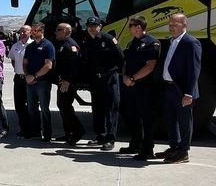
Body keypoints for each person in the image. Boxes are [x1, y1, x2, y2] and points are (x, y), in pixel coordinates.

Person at [158, 14, 202, 164]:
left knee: (184, 121)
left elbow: (194, 70)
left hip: (182, 90)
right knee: (170, 119)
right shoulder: (172, 41)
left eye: (175, 23)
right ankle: (174, 147)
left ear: (184, 25)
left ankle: (183, 152)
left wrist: (188, 93)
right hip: (170, 87)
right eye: (170, 23)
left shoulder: (191, 42)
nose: (171, 26)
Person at [120, 16, 161, 161]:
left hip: (144, 87)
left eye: (131, 25)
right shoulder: (132, 43)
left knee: (146, 119)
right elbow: (126, 62)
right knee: (131, 116)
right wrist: (125, 76)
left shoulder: (152, 43)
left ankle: (147, 149)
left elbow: (149, 66)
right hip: (130, 85)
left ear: (138, 26)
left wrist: (132, 79)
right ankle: (135, 144)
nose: (129, 28)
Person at [83, 16, 124, 150]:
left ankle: (110, 139)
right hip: (95, 81)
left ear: (100, 26)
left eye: (95, 26)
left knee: (111, 109)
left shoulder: (108, 39)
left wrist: (111, 73)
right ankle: (100, 136)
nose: (92, 28)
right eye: (90, 26)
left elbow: (120, 58)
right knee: (97, 109)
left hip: (110, 79)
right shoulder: (87, 40)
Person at [23, 22, 56, 142]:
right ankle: (35, 131)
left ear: (42, 31)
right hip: (30, 82)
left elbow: (48, 65)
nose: (32, 32)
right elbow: (25, 63)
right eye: (32, 30)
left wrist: (35, 76)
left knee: (44, 108)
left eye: (35, 31)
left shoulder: (48, 45)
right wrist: (27, 75)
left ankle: (47, 133)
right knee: (31, 108)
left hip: (43, 82)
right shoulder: (30, 47)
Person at [54, 22, 84, 145]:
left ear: (66, 31)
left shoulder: (71, 46)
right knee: (62, 106)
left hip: (68, 82)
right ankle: (68, 133)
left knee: (65, 106)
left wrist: (68, 81)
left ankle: (78, 131)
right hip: (62, 81)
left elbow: (75, 66)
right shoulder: (62, 44)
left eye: (58, 29)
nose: (55, 32)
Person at [8, 24, 34, 138]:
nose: (23, 33)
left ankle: (33, 130)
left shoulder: (33, 45)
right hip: (18, 79)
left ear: (31, 32)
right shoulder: (15, 46)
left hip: (30, 79)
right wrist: (17, 70)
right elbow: (13, 60)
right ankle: (24, 129)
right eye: (21, 31)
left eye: (26, 31)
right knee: (19, 106)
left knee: (31, 106)